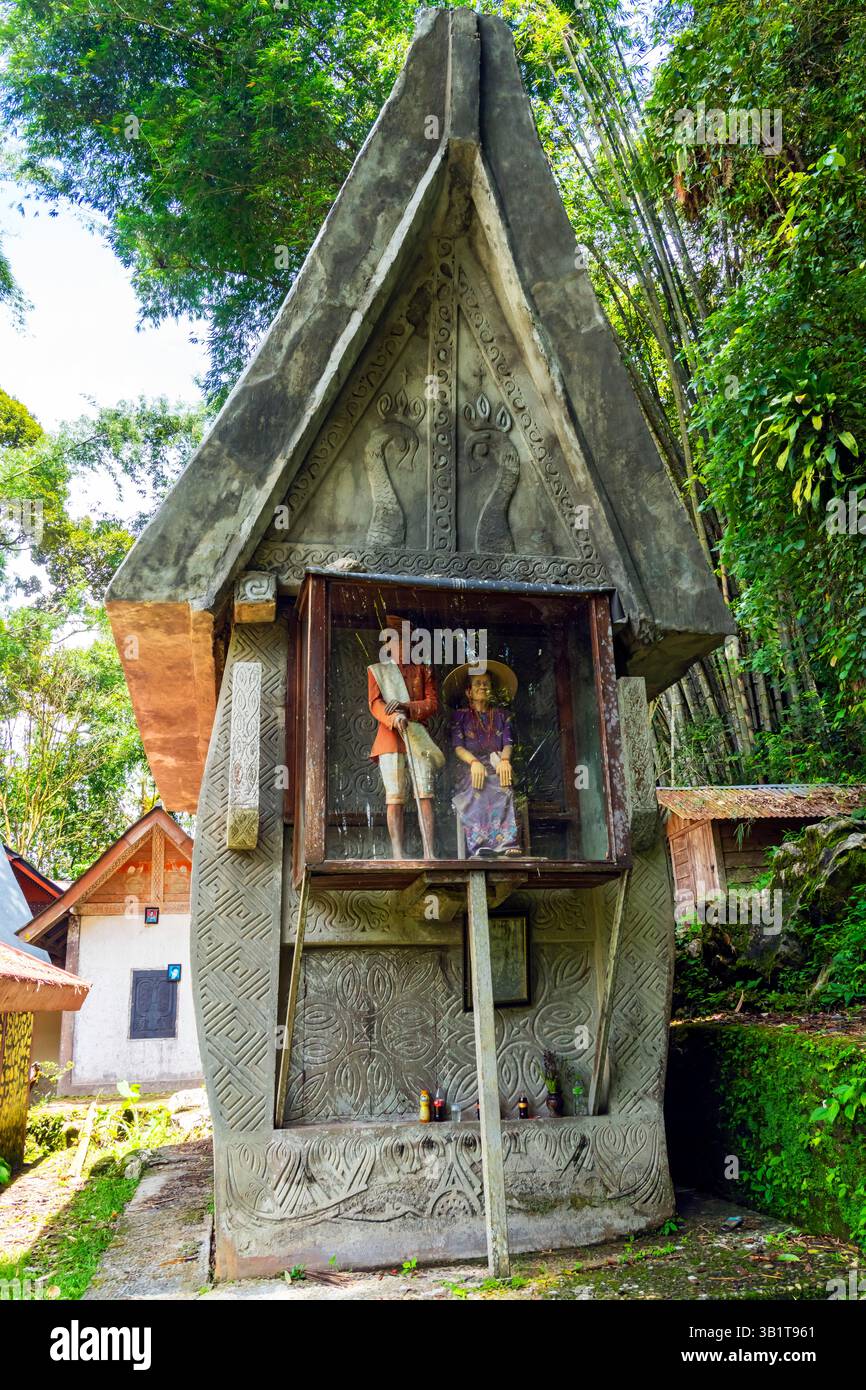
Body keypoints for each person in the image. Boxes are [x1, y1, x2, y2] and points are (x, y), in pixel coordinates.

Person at [367, 613, 439, 859]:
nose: (402, 645)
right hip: (389, 739)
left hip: (417, 736)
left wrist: (406, 708)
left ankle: (430, 852)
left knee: (425, 793)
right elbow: (375, 704)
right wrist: (392, 718)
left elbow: (432, 704)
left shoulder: (423, 669)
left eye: (407, 640)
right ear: (388, 644)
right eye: (397, 641)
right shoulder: (378, 672)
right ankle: (398, 853)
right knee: (395, 796)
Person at [444, 661, 522, 858]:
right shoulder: (459, 717)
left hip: (495, 762)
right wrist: (474, 763)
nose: (483, 687)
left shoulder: (503, 716)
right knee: (477, 783)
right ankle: (480, 843)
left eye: (486, 683)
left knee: (503, 782)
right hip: (468, 766)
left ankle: (506, 842)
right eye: (478, 683)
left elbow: (507, 743)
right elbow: (458, 747)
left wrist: (505, 761)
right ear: (469, 691)